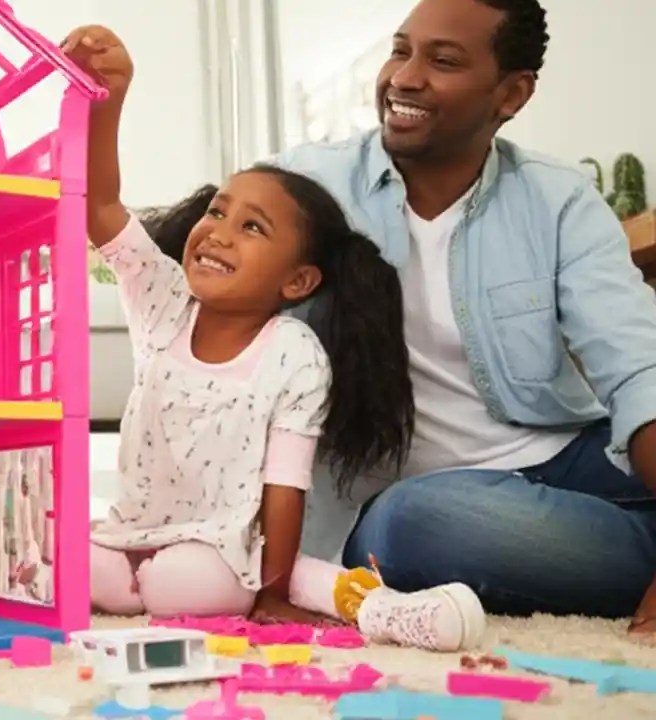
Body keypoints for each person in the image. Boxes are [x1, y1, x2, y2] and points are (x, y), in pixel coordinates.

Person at [79, 0, 656, 635]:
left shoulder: (557, 200)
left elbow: (638, 370)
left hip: (576, 462)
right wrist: (101, 108)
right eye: (400, 49)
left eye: (443, 60)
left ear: (511, 94)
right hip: (433, 504)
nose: (405, 77)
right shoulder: (307, 187)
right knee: (405, 529)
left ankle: (613, 548)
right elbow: (179, 256)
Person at [65, 28, 487, 652]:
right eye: (217, 212)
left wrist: (274, 592)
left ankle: (386, 611)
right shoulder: (162, 301)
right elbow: (99, 206)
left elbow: (284, 488)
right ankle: (159, 584)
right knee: (65, 559)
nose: (218, 232)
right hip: (132, 534)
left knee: (191, 583)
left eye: (251, 226)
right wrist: (107, 98)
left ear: (298, 279)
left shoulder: (293, 353)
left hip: (220, 549)